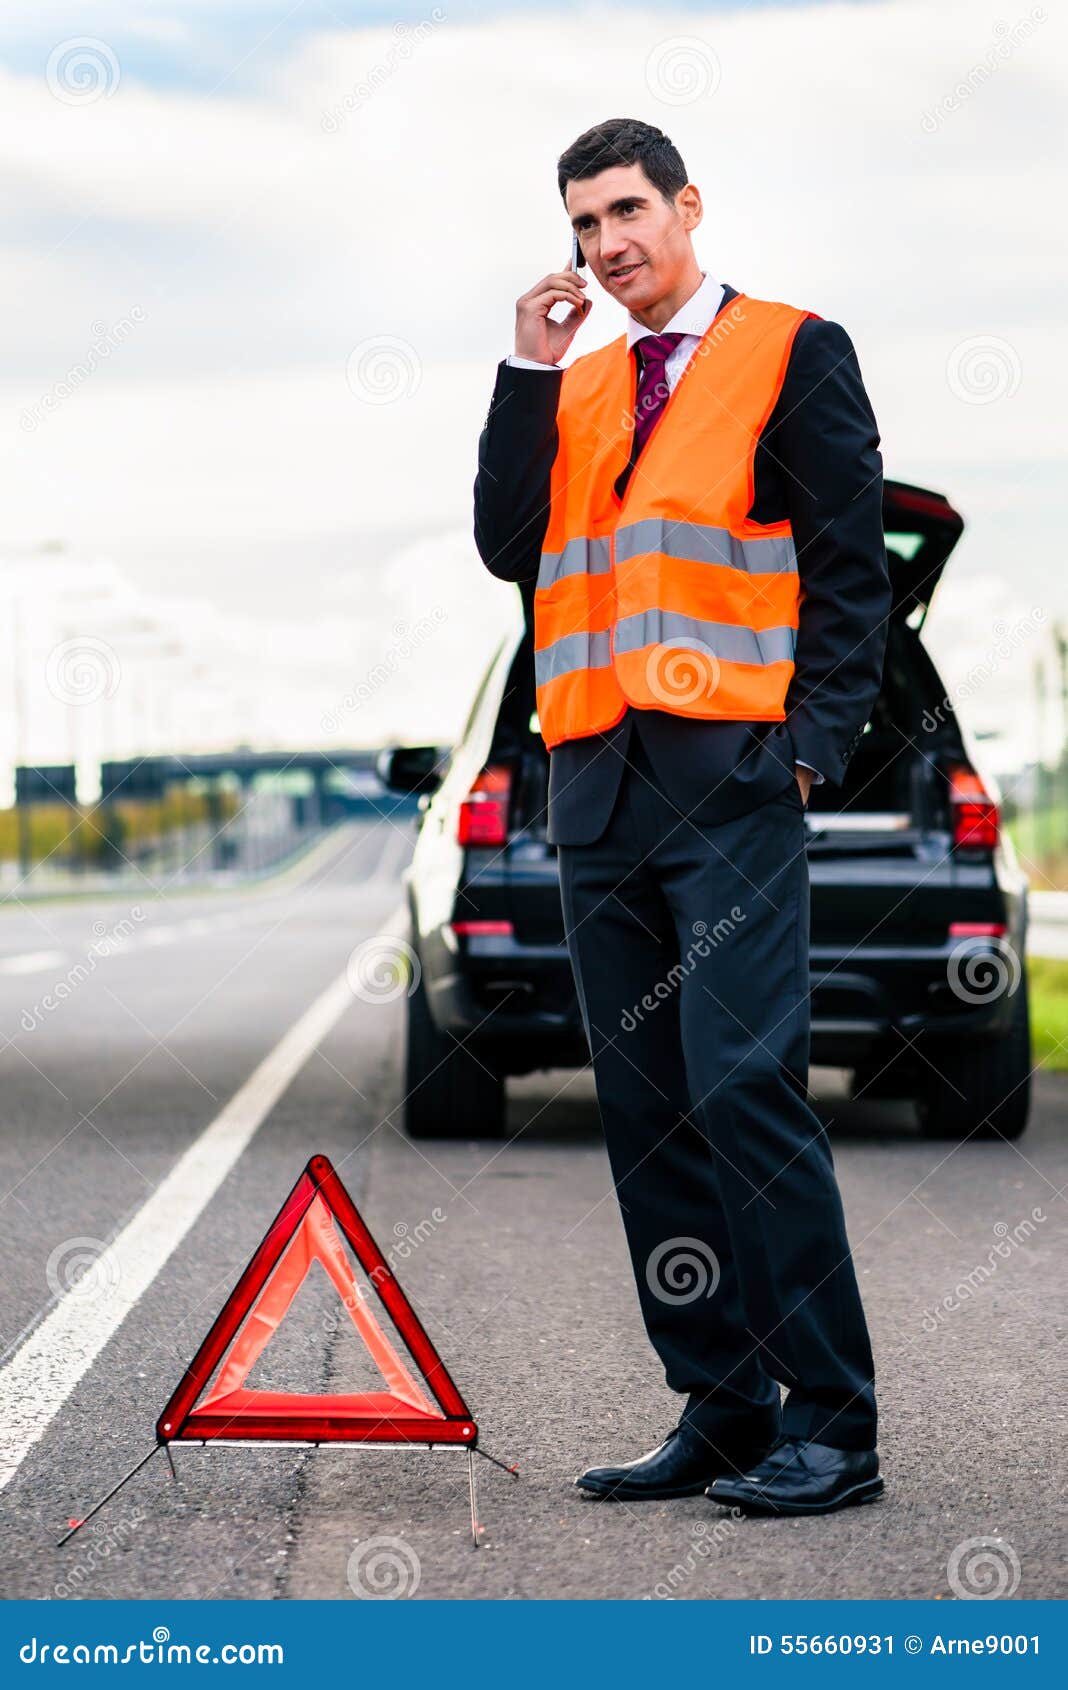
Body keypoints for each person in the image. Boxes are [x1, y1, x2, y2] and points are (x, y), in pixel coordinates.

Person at [473, 117, 891, 1517]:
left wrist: (813, 753)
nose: (608, 245)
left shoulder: (790, 348)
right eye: (586, 225)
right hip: (596, 793)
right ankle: (720, 1408)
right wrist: (527, 372)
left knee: (742, 1089)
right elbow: (505, 544)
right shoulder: (579, 382)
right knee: (649, 1116)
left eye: (628, 211)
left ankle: (833, 1419)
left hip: (731, 790)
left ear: (687, 205)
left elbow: (849, 567)